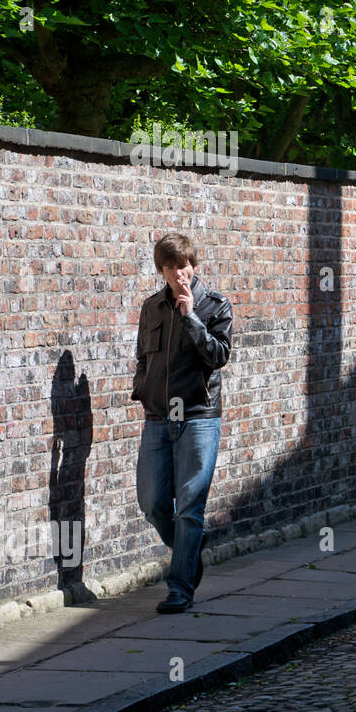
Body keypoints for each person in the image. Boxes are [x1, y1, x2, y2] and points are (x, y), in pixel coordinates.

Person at [131, 233, 233, 613]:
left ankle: (179, 588)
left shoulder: (215, 305)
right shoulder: (151, 307)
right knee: (153, 502)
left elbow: (218, 356)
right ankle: (189, 552)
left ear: (194, 265)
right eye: (171, 267)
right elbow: (143, 357)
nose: (180, 273)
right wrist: (142, 389)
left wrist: (190, 317)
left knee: (189, 507)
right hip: (159, 416)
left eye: (185, 265)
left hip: (198, 415)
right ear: (162, 270)